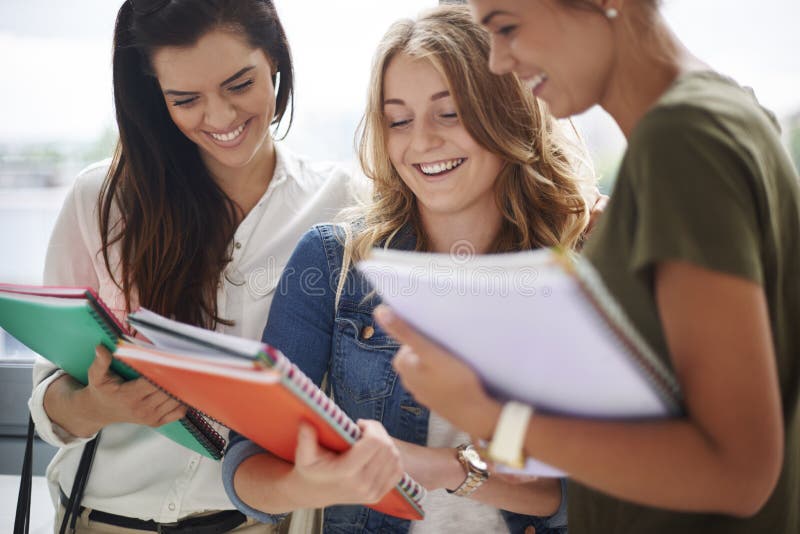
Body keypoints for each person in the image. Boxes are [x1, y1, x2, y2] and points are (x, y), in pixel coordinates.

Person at [377, 1, 800, 533]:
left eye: (507, 29)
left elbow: (738, 472)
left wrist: (494, 418)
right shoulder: (721, 115)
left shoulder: (685, 138)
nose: (499, 62)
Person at [222, 6, 602, 533]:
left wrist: (440, 468)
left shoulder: (574, 268)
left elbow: (584, 492)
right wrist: (320, 481)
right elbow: (246, 469)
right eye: (398, 119)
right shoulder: (334, 264)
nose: (420, 141)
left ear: (506, 111)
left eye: (449, 113)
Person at [29, 1, 357, 532]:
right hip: (102, 519)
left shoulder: (343, 203)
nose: (221, 117)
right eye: (185, 100)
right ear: (155, 96)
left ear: (274, 58)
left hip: (256, 522)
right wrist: (98, 405)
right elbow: (49, 403)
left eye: (239, 84)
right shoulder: (101, 199)